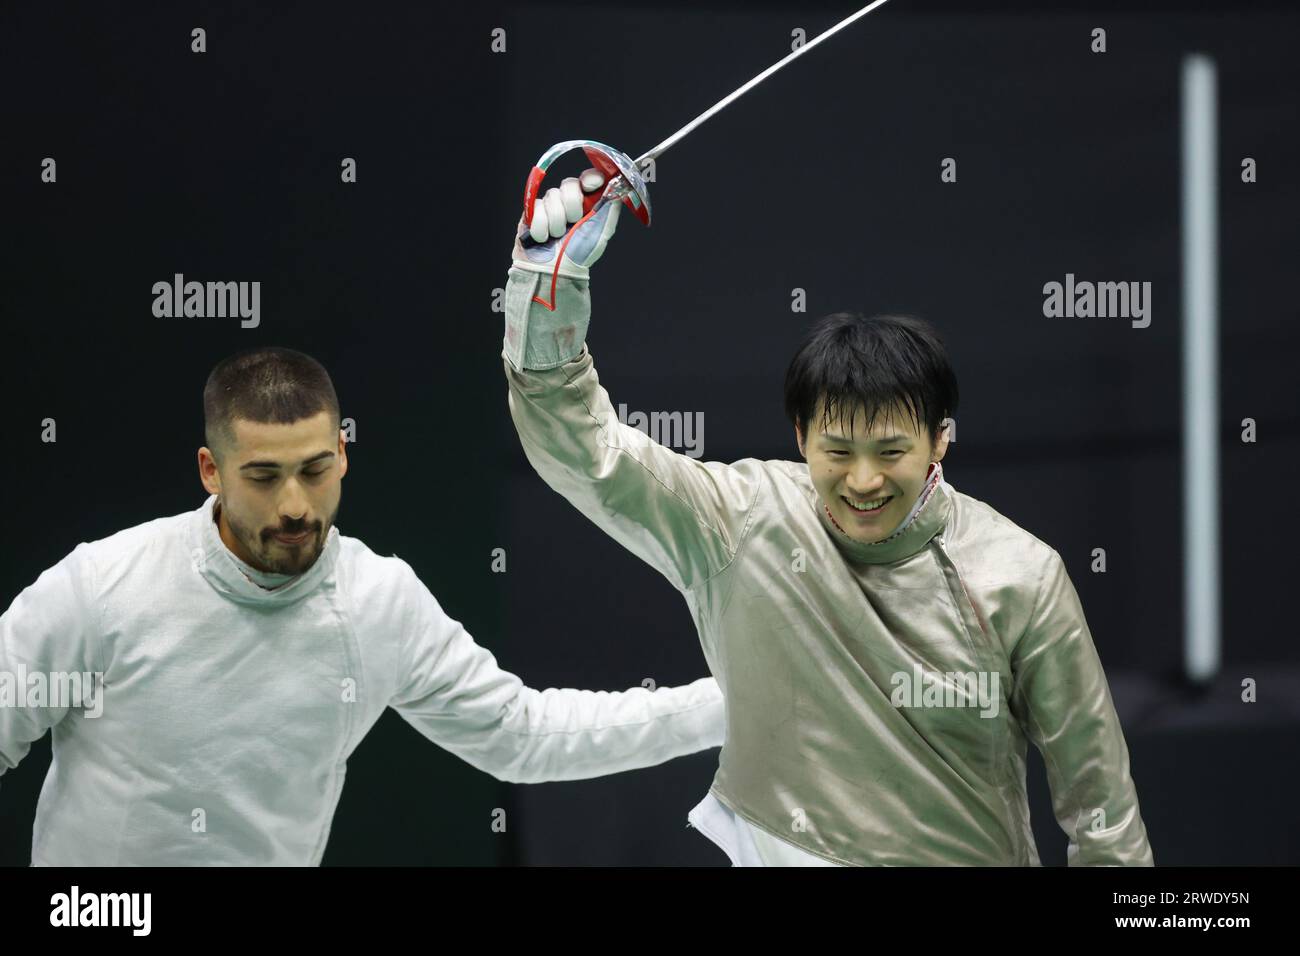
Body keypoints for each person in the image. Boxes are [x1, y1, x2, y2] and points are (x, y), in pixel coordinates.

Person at [500, 169, 1154, 866]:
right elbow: (585, 451)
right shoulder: (743, 519)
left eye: (892, 451)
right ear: (800, 437)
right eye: (838, 450)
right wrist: (546, 292)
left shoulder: (1020, 575)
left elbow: (1102, 812)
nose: (864, 480)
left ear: (941, 439)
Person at [0, 346, 724, 865]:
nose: (294, 505)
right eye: (263, 476)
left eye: (315, 470)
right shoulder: (104, 585)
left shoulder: (380, 603)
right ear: (210, 471)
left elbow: (524, 734)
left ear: (342, 454)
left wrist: (739, 704)